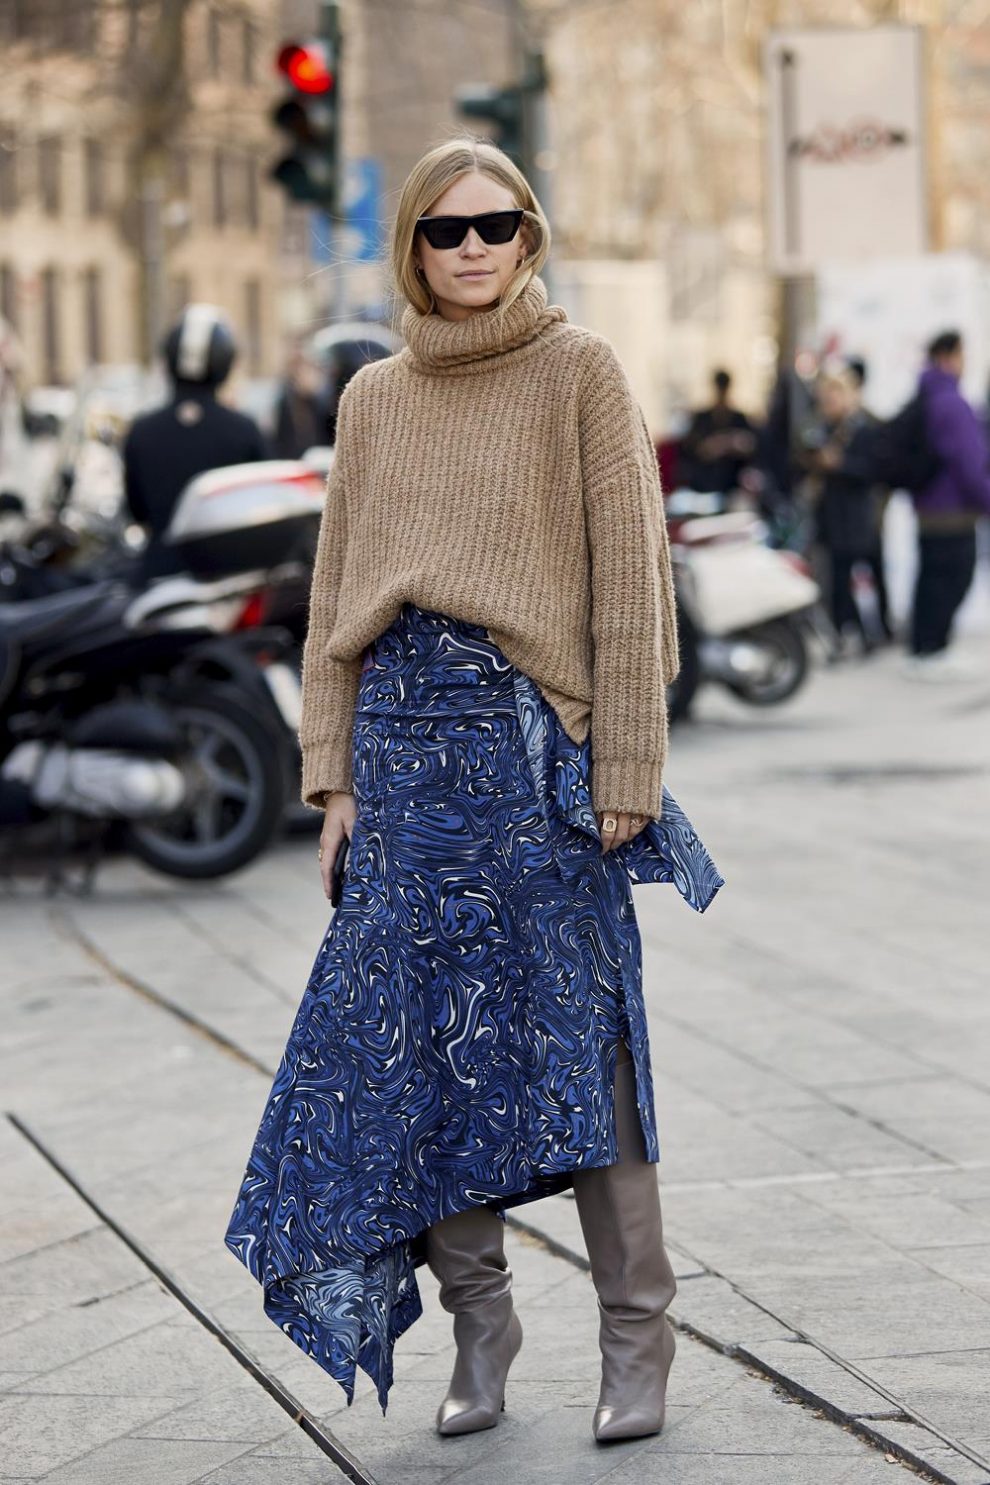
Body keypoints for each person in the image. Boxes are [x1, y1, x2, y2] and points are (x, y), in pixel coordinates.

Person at [224, 139, 723, 1442]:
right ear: (411, 247)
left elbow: (631, 579)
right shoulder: (374, 398)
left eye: (495, 225)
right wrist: (329, 783)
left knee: (586, 1055)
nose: (471, 249)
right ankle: (480, 1330)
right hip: (400, 773)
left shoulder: (579, 372)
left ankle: (636, 1339)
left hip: (532, 764)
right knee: (418, 1071)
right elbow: (334, 603)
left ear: (528, 234)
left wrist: (628, 767)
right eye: (444, 231)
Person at [123, 304, 269, 577]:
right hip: (229, 575)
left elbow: (137, 511)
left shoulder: (141, 430)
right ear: (224, 363)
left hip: (159, 574)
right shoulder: (244, 429)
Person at [906, 330, 990, 676]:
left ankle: (925, 648)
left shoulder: (926, 396)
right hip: (951, 509)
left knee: (932, 579)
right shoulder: (950, 402)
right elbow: (969, 463)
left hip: (930, 506)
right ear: (949, 356)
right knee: (950, 579)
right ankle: (932, 649)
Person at [805, 367, 892, 653]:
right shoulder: (821, 430)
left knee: (872, 576)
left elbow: (874, 471)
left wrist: (840, 465)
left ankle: (879, 631)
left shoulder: (865, 429)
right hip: (833, 517)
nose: (829, 405)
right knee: (839, 582)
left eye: (834, 398)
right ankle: (850, 632)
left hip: (861, 517)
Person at [678, 368, 756, 496]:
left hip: (732, 483)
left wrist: (731, 443)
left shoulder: (738, 418)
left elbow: (751, 446)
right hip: (704, 482)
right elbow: (690, 447)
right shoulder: (702, 418)